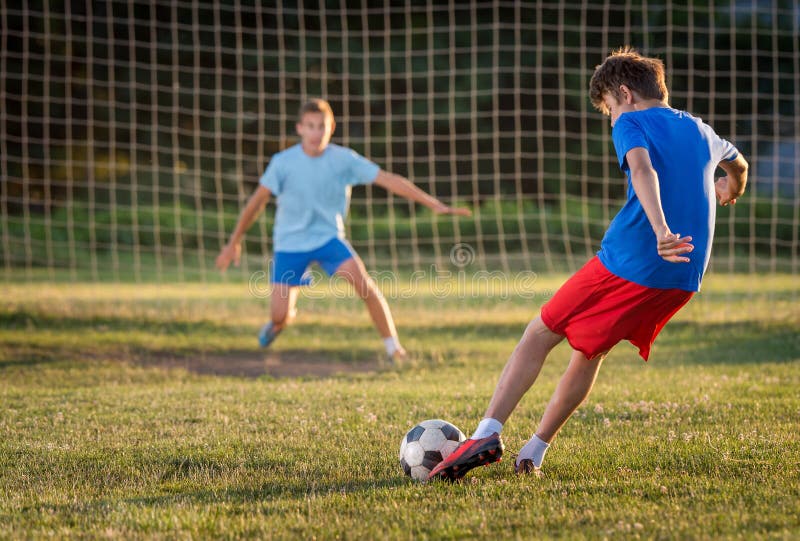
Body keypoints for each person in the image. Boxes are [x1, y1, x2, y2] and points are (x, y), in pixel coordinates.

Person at [428, 46, 749, 481]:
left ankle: (486, 434)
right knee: (589, 351)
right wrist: (731, 186)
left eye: (611, 109)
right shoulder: (702, 129)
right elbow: (740, 164)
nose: (613, 119)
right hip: (682, 279)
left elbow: (644, 171)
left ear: (625, 94)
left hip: (632, 261)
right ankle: (533, 452)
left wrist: (661, 230)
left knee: (539, 333)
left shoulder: (632, 122)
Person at [215, 98, 470, 362]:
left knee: (365, 286)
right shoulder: (283, 162)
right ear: (300, 128)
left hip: (328, 239)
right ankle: (280, 322)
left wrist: (433, 204)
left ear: (331, 128)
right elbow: (256, 202)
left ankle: (394, 349)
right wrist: (234, 242)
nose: (316, 133)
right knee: (279, 315)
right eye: (310, 126)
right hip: (290, 243)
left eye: (321, 126)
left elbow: (388, 179)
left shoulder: (344, 159)